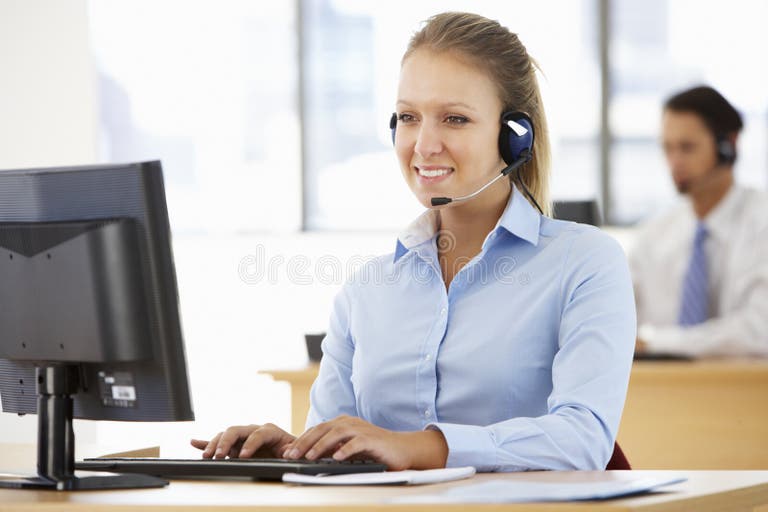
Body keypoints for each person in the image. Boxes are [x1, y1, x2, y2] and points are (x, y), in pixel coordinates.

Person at [192, 12, 636, 472]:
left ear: (513, 137)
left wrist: (424, 448)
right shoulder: (366, 291)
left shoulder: (584, 263)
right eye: (408, 117)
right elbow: (339, 445)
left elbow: (583, 441)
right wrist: (295, 452)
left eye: (455, 119)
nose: (423, 145)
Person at [631, 86, 768, 357]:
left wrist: (657, 344)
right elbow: (615, 315)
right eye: (667, 148)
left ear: (728, 145)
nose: (675, 162)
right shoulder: (654, 234)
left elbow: (759, 332)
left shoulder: (761, 223)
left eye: (687, 147)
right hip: (663, 393)